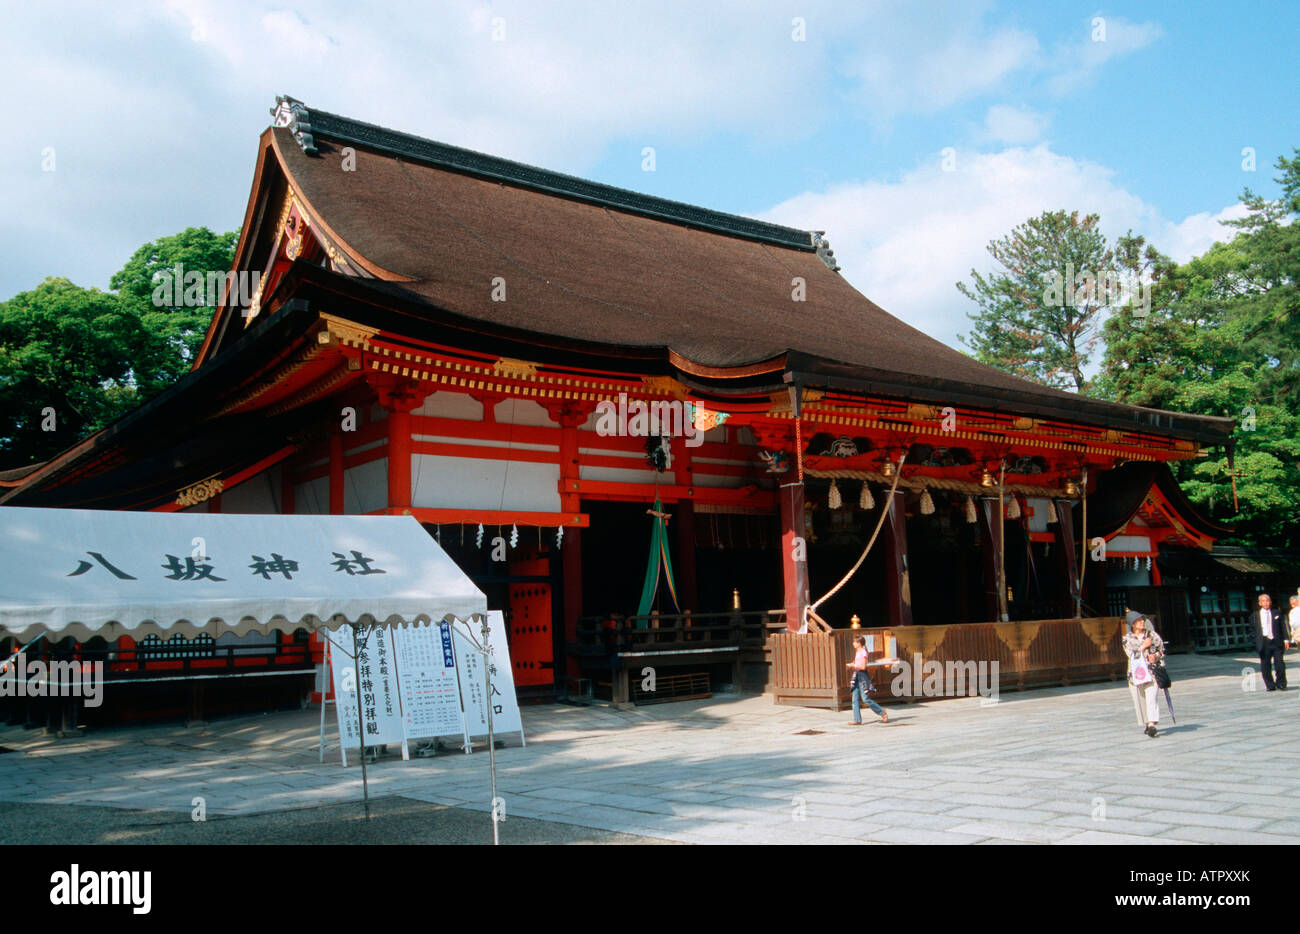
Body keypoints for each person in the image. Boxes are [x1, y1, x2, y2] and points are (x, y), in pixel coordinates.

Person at [1123, 610, 1164, 737]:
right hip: (1136, 674)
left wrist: (1155, 656)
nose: (1142, 622)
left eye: (1142, 620)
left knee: (1152, 698)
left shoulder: (1152, 635)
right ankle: (1147, 723)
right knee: (1140, 700)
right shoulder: (1127, 639)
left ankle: (1151, 724)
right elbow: (1131, 655)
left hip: (1152, 672)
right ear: (1132, 624)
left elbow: (1162, 650)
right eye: (1139, 620)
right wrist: (1143, 646)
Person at [846, 635, 888, 725]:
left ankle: (882, 711)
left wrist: (854, 665)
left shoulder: (864, 653)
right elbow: (856, 662)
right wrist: (852, 663)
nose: (853, 643)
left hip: (863, 676)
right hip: (856, 676)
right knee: (855, 699)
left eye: (855, 642)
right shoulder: (857, 652)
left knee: (865, 699)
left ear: (859, 643)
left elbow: (863, 667)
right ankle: (857, 719)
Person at [1253, 593, 1290, 691]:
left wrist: (1286, 639)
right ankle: (1270, 685)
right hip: (1264, 642)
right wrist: (1256, 642)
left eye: (1267, 601)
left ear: (1270, 602)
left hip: (1276, 641)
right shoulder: (1255, 616)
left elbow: (1283, 627)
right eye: (1263, 601)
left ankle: (1281, 683)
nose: (1266, 603)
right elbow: (1252, 631)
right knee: (1265, 665)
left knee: (1280, 663)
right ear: (1260, 603)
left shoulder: (1277, 613)